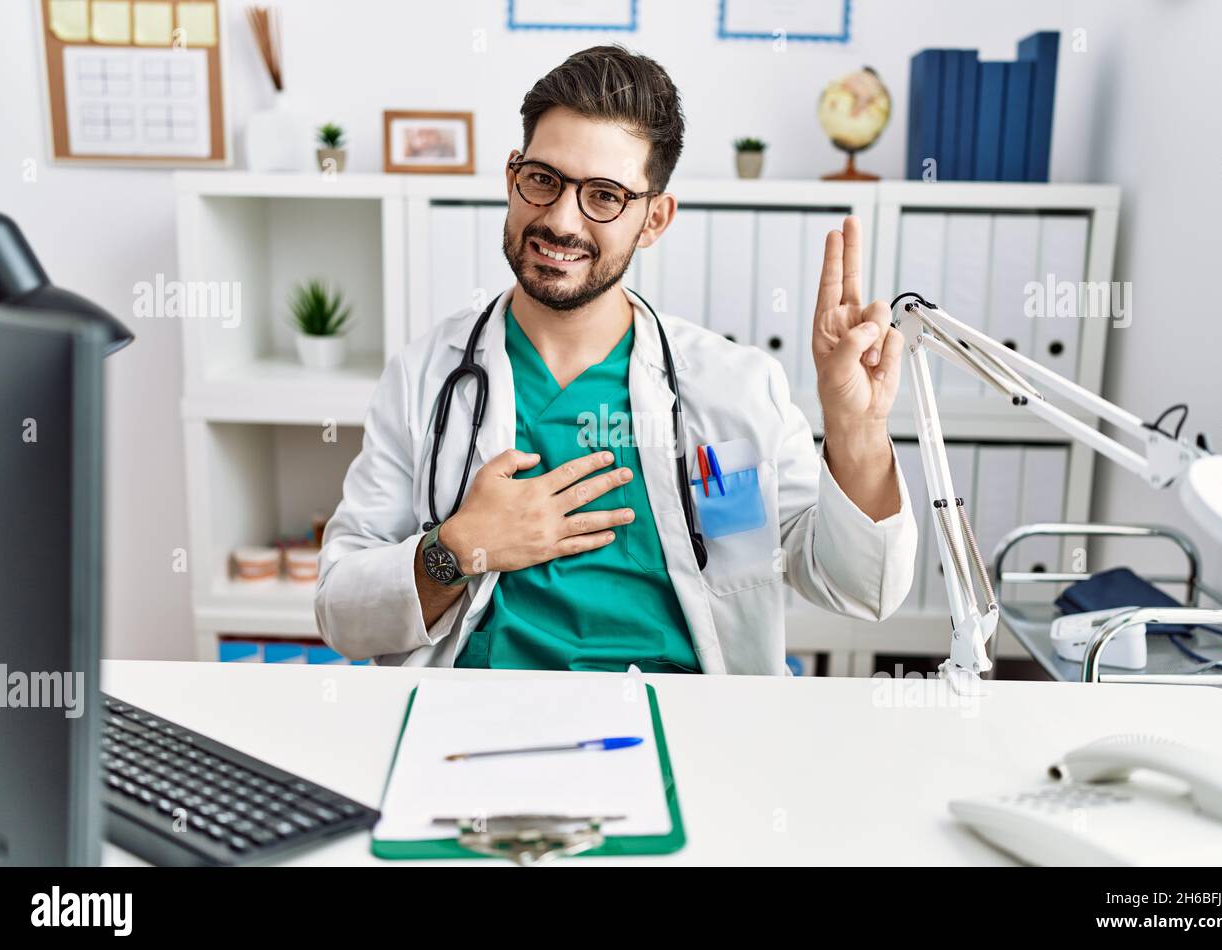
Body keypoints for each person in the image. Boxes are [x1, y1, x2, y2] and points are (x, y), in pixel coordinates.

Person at [315, 45, 917, 674]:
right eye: (543, 179)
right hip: (476, 728)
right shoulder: (426, 377)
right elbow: (340, 612)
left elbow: (860, 588)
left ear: (654, 218)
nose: (560, 220)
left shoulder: (730, 390)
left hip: (683, 733)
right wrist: (459, 548)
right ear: (512, 177)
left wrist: (857, 429)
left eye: (603, 196)